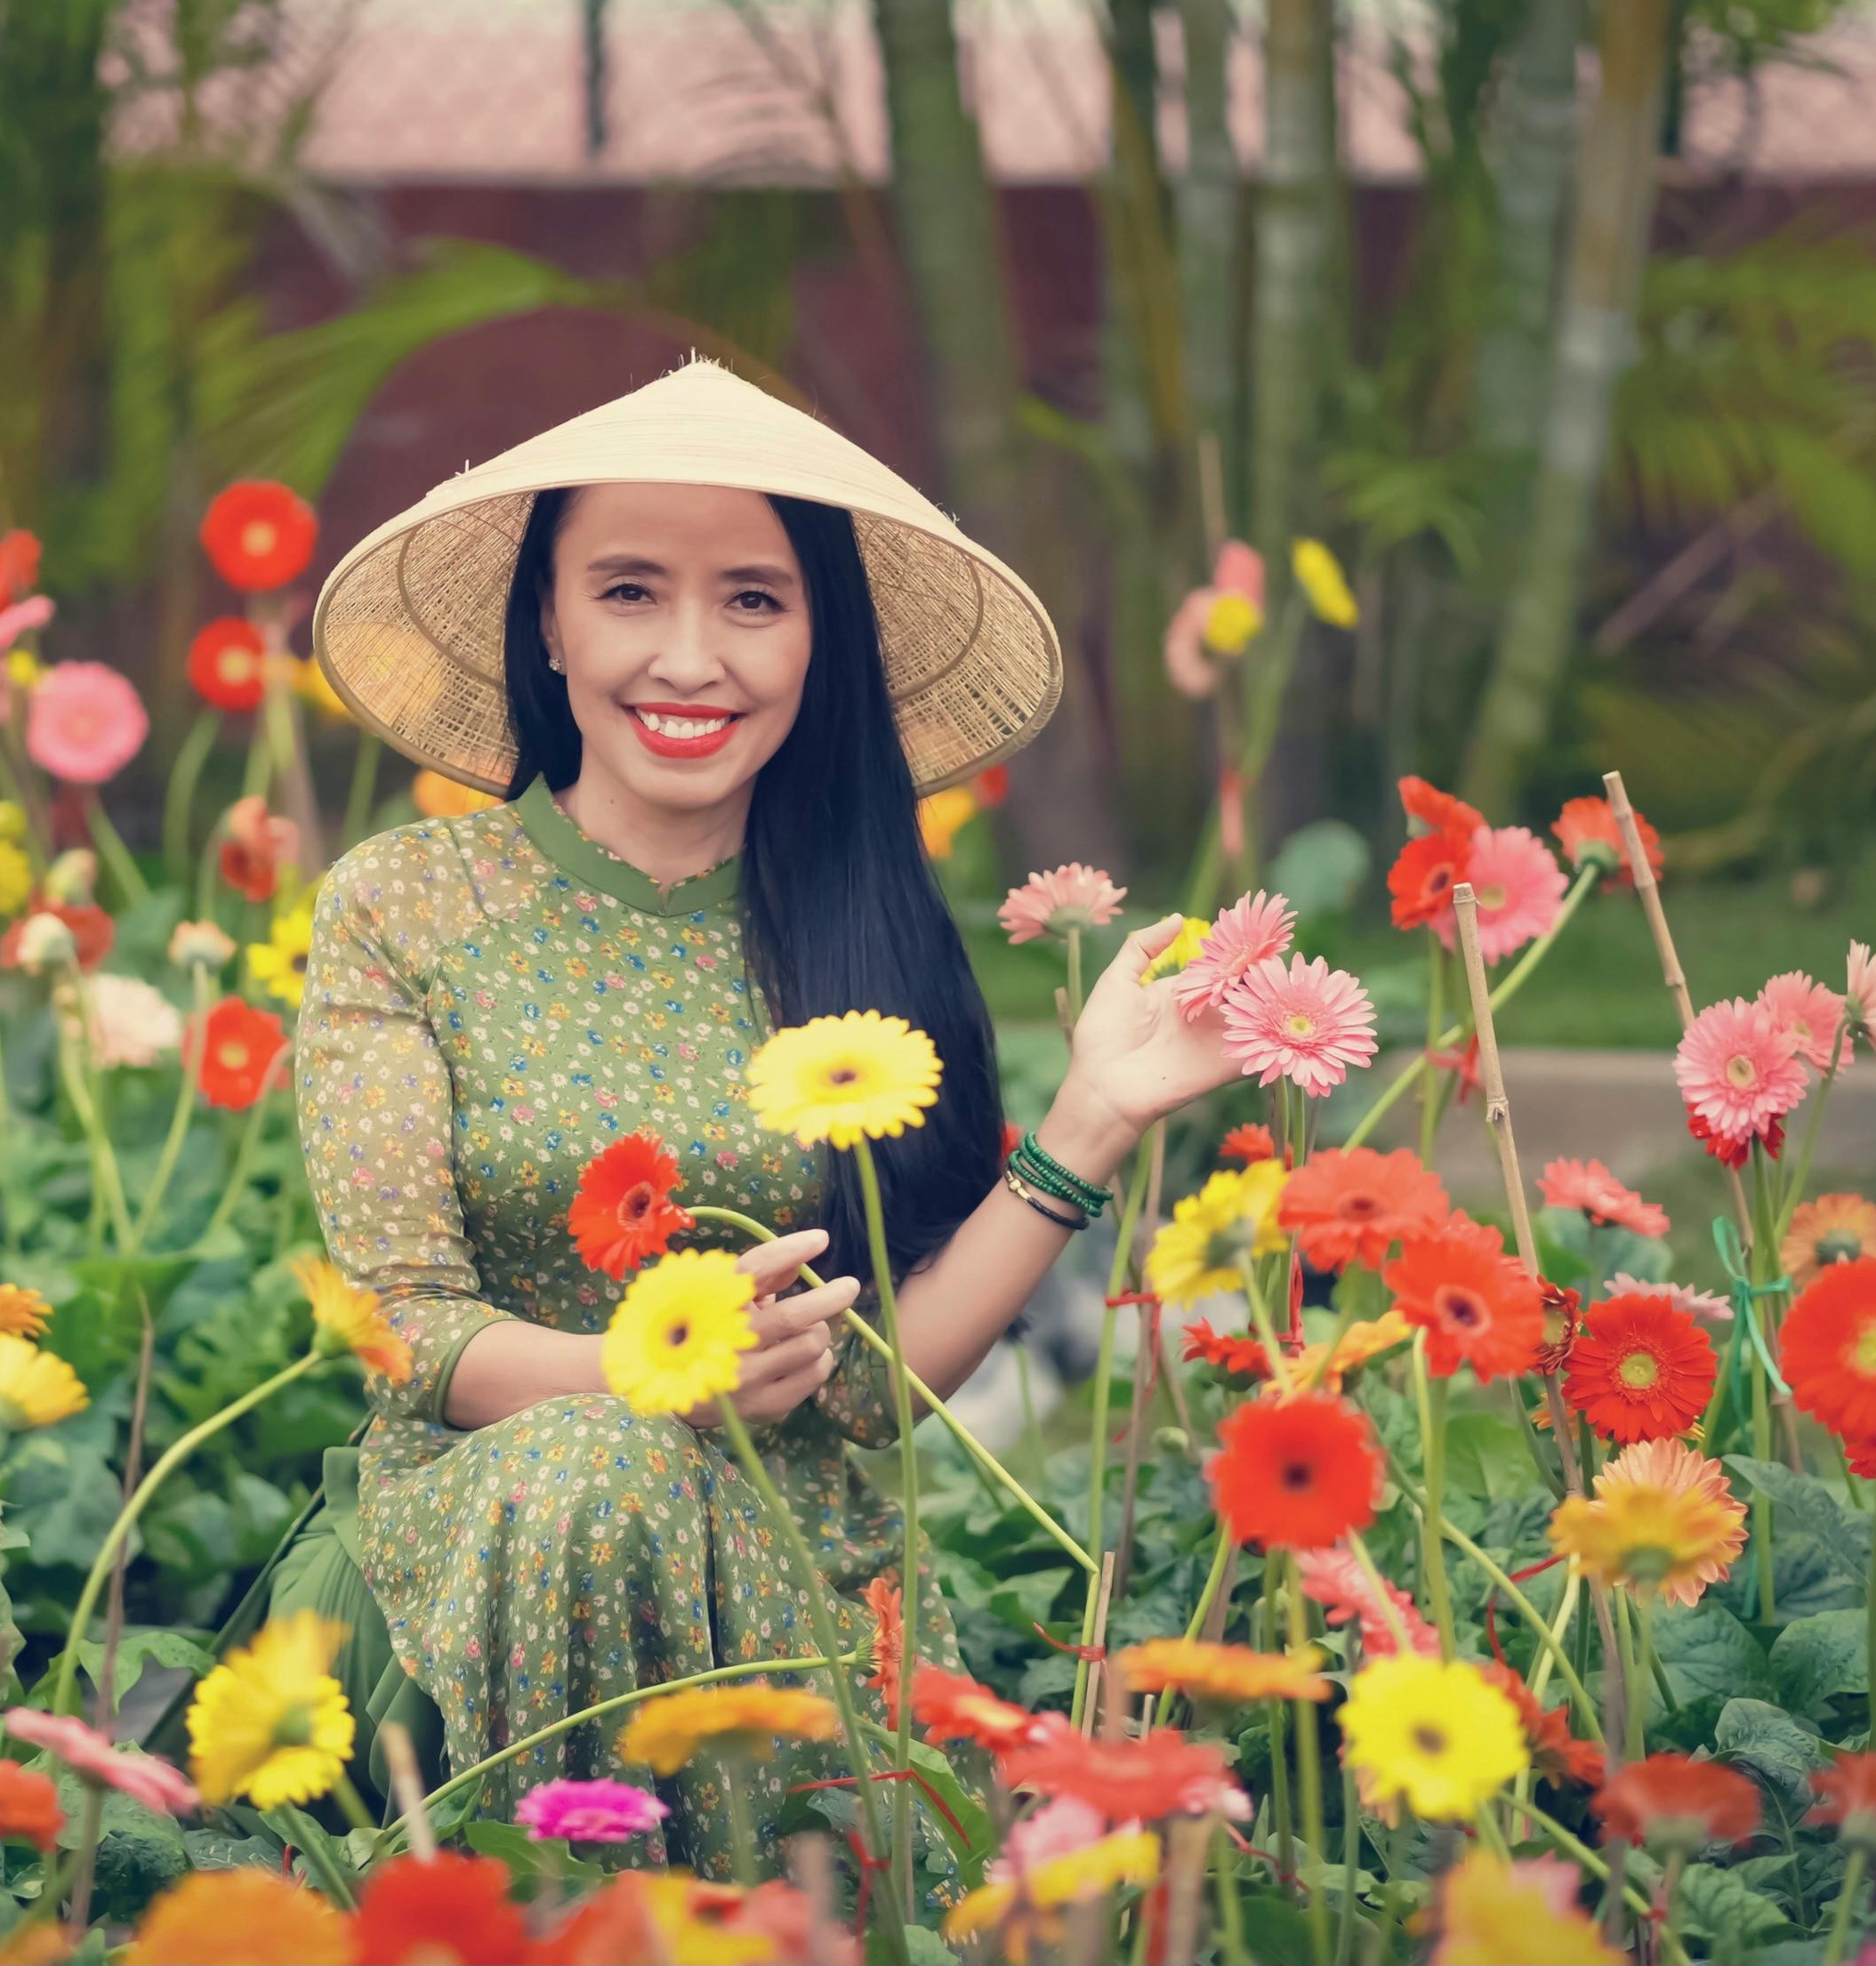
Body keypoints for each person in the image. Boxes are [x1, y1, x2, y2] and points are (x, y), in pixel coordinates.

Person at [289, 359, 1241, 1870]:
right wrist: (653, 1375)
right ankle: (570, 1889)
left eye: (751, 599)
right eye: (627, 591)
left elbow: (872, 1393)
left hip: (783, 1595)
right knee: (596, 1474)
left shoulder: (864, 931)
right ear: (545, 618)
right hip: (455, 1572)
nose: (689, 659)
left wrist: (1094, 1121)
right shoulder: (405, 905)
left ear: (819, 641)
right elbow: (405, 1331)